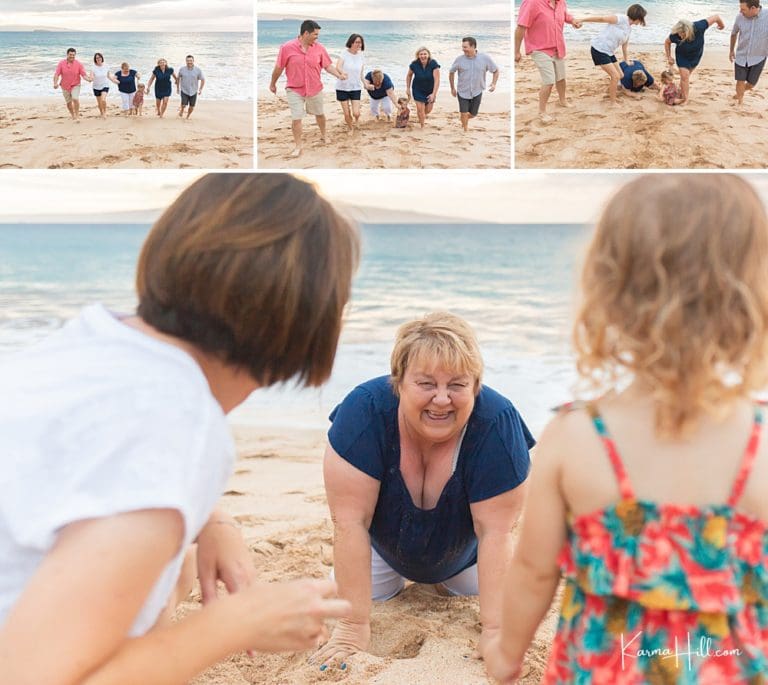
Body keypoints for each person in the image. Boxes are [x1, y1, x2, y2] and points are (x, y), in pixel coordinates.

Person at [0, 173, 360, 684]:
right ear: (310, 314)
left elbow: (95, 460)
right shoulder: (174, 424)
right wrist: (234, 626)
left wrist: (212, 519)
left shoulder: (98, 341)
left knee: (181, 563)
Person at [483, 173, 768, 684]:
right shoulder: (762, 442)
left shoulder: (576, 436)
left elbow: (533, 571)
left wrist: (507, 655)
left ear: (609, 292)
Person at [311, 312, 534, 670]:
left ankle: (453, 585)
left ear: (476, 385)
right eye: (426, 384)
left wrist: (496, 631)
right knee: (366, 595)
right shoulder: (364, 411)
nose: (442, 399)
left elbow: (496, 532)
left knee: (481, 586)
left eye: (458, 385)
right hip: (382, 547)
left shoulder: (497, 425)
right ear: (398, 382)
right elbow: (349, 522)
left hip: (469, 555)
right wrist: (353, 627)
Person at [269, 20, 348, 158]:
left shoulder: (319, 48)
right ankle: (298, 146)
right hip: (294, 89)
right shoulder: (287, 47)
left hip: (315, 88)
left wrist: (339, 75)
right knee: (296, 118)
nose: (317, 38)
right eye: (315, 35)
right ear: (305, 33)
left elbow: (328, 66)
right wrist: (272, 83)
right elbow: (279, 67)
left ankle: (324, 135)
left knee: (319, 114)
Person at [515, 0, 582, 124]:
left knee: (561, 77)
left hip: (558, 46)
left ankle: (563, 101)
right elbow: (521, 26)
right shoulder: (532, 3)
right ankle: (542, 112)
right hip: (539, 48)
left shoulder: (561, 3)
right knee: (549, 80)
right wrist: (516, 51)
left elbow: (565, 15)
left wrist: (573, 21)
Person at [577, 4, 648, 103]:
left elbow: (625, 45)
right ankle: (612, 102)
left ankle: (612, 91)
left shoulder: (629, 28)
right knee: (615, 76)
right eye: (641, 18)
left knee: (620, 75)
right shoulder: (620, 19)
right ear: (638, 16)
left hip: (609, 52)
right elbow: (601, 19)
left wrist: (626, 59)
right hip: (599, 49)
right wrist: (582, 20)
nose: (641, 21)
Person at [665, 15, 725, 103]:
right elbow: (667, 42)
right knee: (684, 76)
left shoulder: (699, 26)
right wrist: (669, 56)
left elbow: (716, 17)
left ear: (689, 30)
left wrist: (721, 25)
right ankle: (685, 99)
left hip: (696, 56)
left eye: (683, 34)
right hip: (682, 56)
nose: (680, 36)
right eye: (679, 33)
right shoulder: (675, 34)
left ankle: (681, 92)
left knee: (685, 77)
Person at [448, 37, 499, 132]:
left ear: (473, 47)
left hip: (477, 91)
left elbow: (496, 70)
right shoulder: (459, 60)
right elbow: (451, 72)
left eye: (465, 47)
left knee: (473, 114)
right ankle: (465, 131)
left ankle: (464, 119)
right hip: (462, 91)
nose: (463, 49)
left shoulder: (485, 58)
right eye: (462, 47)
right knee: (463, 113)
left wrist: (493, 84)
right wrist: (452, 88)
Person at [730, 0, 768, 106]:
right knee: (740, 80)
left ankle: (740, 92)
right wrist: (731, 50)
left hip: (759, 56)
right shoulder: (739, 17)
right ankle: (740, 102)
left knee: (751, 84)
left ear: (753, 8)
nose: (740, 11)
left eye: (743, 9)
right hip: (741, 55)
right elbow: (733, 34)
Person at [335, 33, 366, 132]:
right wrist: (342, 72)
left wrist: (365, 83)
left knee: (356, 112)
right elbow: (338, 66)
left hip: (355, 87)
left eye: (360, 42)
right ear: (351, 42)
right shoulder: (344, 53)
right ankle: (350, 127)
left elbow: (361, 73)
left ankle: (356, 120)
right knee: (347, 113)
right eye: (357, 42)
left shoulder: (361, 55)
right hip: (342, 87)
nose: (359, 44)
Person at [53, 48, 93, 122]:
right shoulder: (61, 63)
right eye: (70, 55)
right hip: (65, 86)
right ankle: (73, 115)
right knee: (68, 103)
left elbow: (83, 75)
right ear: (67, 54)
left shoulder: (78, 64)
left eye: (73, 55)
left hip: (75, 84)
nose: (72, 56)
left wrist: (88, 79)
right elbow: (57, 74)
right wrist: (55, 83)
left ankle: (77, 115)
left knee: (75, 98)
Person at [406, 47, 440, 128]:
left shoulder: (433, 63)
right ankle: (422, 126)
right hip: (418, 89)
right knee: (420, 110)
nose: (423, 56)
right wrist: (408, 88)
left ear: (428, 55)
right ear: (418, 56)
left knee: (427, 110)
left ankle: (422, 115)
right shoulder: (414, 64)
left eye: (425, 54)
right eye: (421, 54)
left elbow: (437, 80)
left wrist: (433, 94)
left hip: (430, 90)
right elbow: (409, 75)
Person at [177, 55, 204, 120]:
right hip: (184, 90)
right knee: (184, 104)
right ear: (186, 61)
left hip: (194, 91)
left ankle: (188, 116)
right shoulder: (182, 69)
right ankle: (182, 110)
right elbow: (178, 79)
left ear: (193, 61)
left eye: (191, 60)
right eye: (188, 60)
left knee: (192, 106)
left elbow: (202, 80)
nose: (189, 62)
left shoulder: (198, 70)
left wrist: (200, 89)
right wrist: (177, 88)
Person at [90, 52, 112, 118]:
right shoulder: (93, 67)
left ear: (102, 58)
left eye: (99, 57)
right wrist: (90, 78)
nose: (98, 59)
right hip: (96, 87)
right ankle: (101, 113)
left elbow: (109, 76)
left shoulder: (106, 66)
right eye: (97, 58)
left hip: (105, 85)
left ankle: (104, 112)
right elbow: (91, 76)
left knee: (103, 100)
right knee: (99, 102)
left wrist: (116, 81)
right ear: (95, 59)